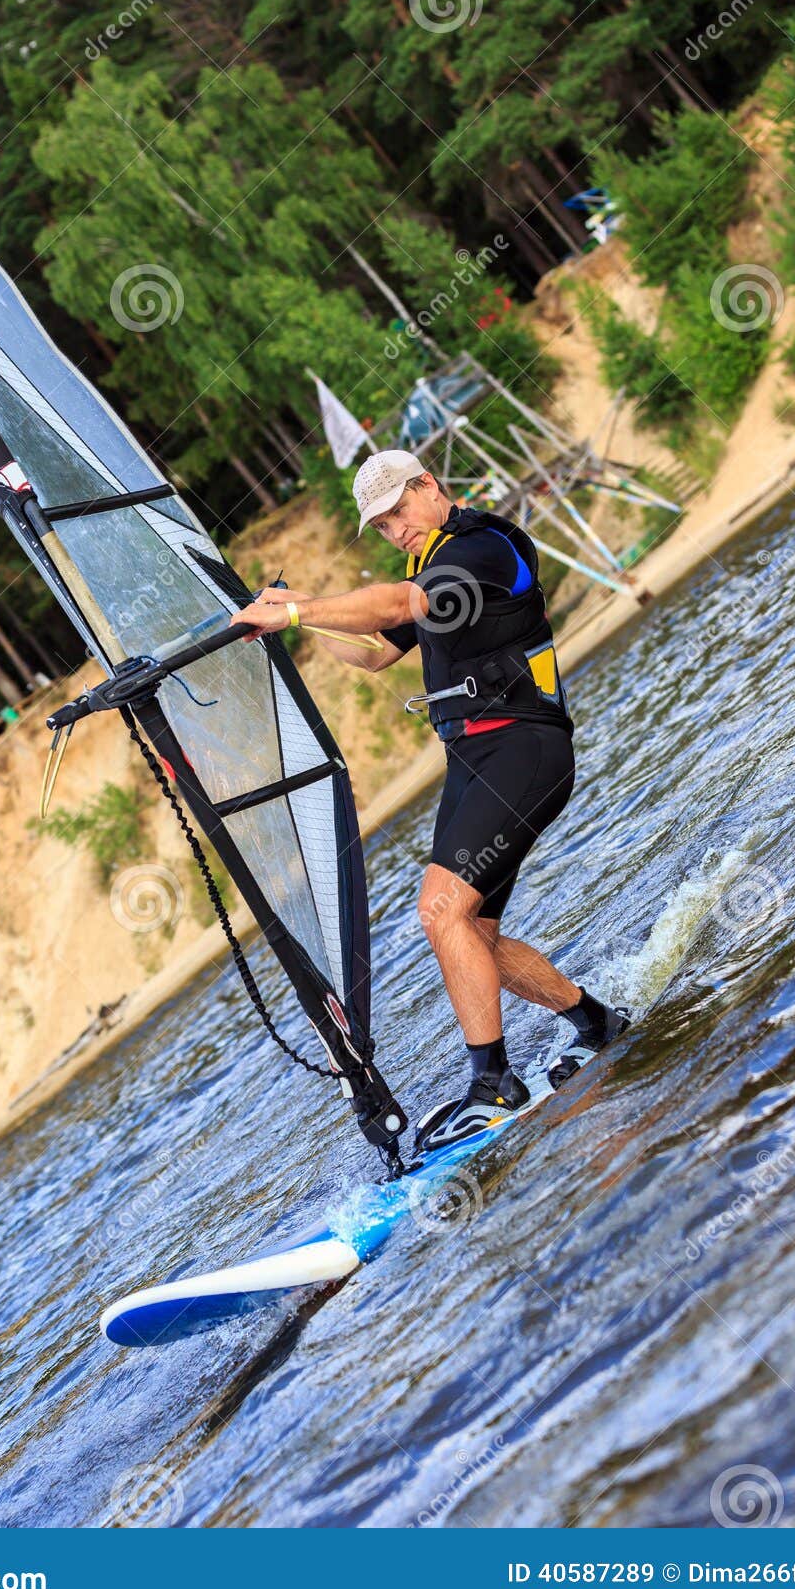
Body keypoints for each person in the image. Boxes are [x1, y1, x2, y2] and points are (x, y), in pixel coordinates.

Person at [232, 449, 628, 1154]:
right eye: (380, 527)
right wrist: (300, 631)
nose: (395, 531)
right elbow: (380, 649)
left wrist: (294, 610)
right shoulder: (431, 568)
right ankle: (596, 1024)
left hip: (523, 749)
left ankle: (493, 1084)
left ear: (430, 486)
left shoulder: (478, 548)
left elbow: (394, 603)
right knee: (470, 933)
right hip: (476, 762)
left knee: (439, 912)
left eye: (398, 513)